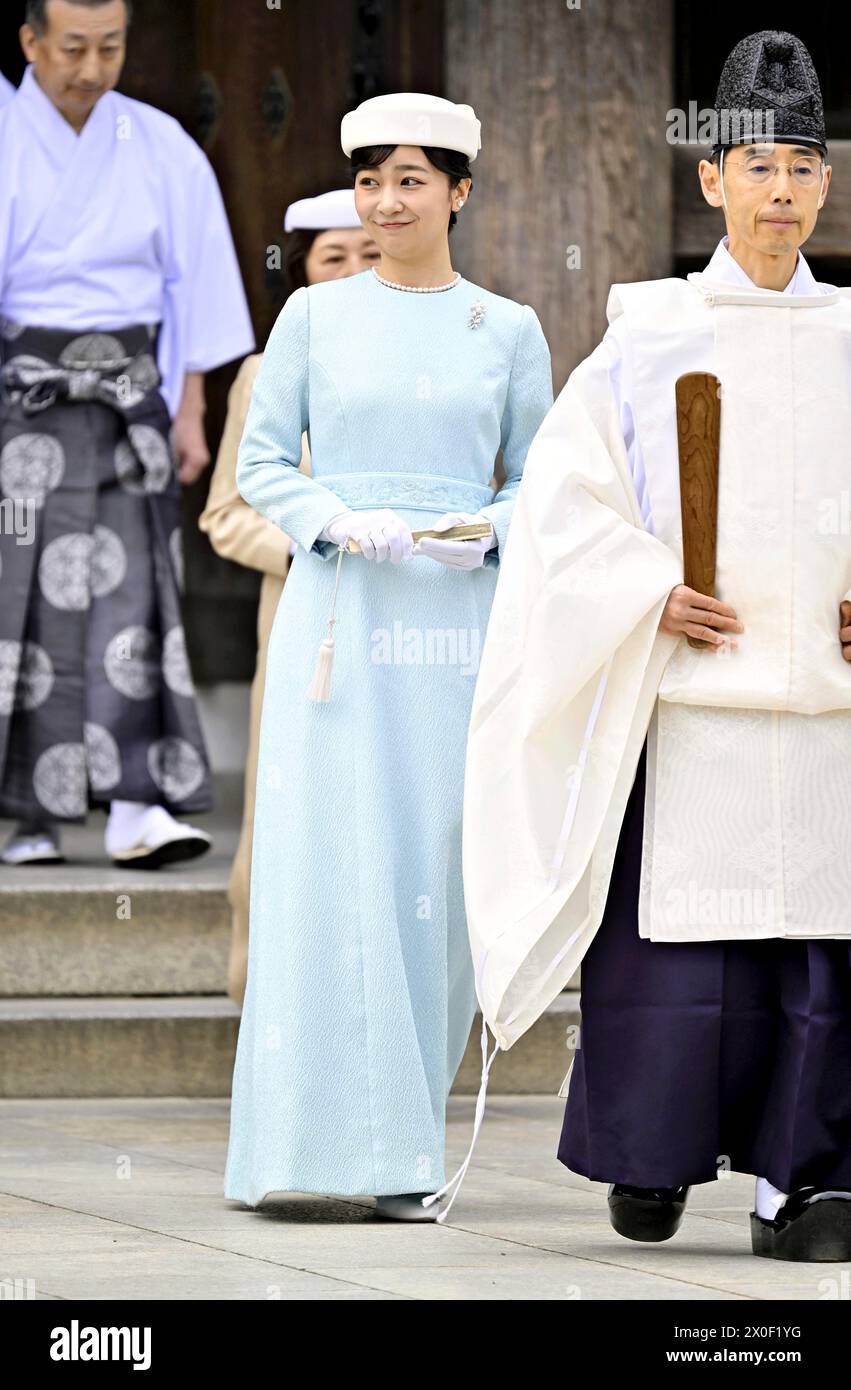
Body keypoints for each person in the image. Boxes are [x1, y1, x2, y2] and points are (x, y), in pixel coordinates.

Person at [459, 30, 851, 1261]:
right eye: (755, 164)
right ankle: (654, 1159)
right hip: (688, 701)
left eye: (800, 163)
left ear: (825, 182)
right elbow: (561, 509)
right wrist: (647, 588)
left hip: (829, 706)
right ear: (709, 181)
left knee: (817, 952)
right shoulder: (646, 334)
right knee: (682, 949)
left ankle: (806, 1182)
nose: (778, 188)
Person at [224, 92, 553, 1220]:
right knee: (325, 869)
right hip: (338, 613)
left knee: (436, 870)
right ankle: (295, 1148)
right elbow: (262, 463)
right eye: (370, 180)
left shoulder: (504, 329)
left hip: (454, 625)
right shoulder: (312, 320)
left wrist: (482, 533)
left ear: (458, 192)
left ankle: (406, 1146)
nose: (385, 201)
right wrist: (329, 516)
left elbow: (540, 484)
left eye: (410, 179)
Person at [0, 0, 254, 867]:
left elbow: (197, 287)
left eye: (110, 47)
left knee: (131, 604)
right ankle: (27, 814)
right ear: (31, 42)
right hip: (18, 406)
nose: (91, 66)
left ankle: (135, 805)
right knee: (18, 607)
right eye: (73, 47)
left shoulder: (159, 145)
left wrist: (192, 412)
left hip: (129, 401)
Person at [198, 188, 379, 1006]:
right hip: (306, 621)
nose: (352, 269)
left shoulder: (450, 356)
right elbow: (227, 513)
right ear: (302, 272)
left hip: (417, 621)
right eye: (331, 257)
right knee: (290, 817)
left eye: (368, 253)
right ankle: (268, 1007)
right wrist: (318, 549)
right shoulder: (267, 372)